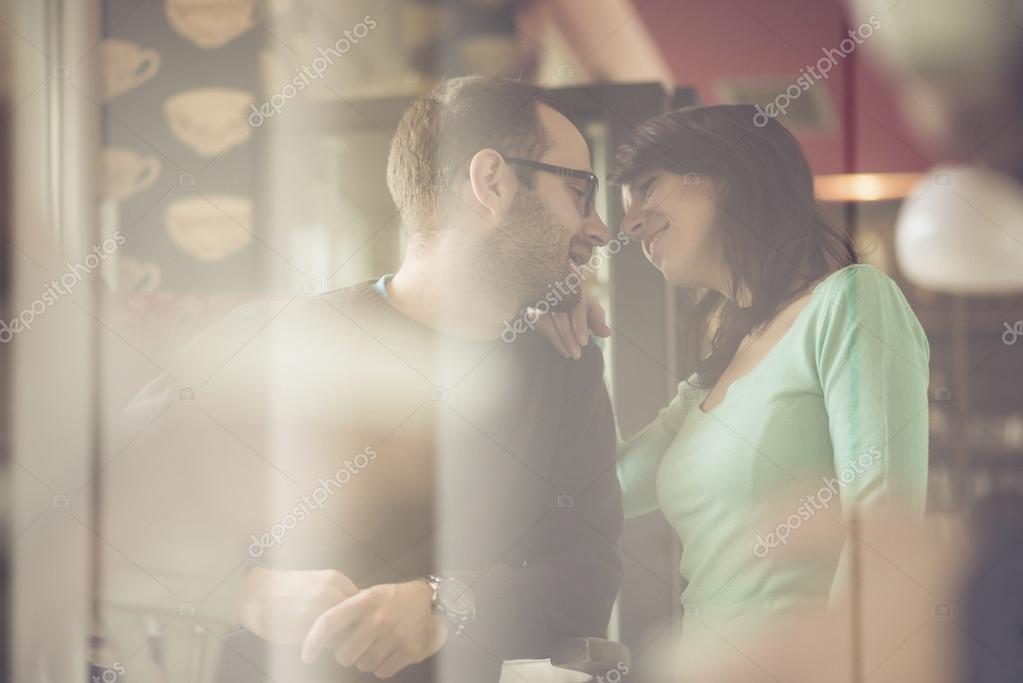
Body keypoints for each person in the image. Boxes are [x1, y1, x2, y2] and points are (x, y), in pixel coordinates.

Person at [121, 76, 622, 683]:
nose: (599, 229)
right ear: (492, 184)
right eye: (580, 193)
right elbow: (85, 511)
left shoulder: (564, 366)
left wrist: (448, 602)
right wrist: (245, 594)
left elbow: (589, 575)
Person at [539, 104, 930, 679]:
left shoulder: (850, 301)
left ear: (731, 174)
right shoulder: (715, 372)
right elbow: (606, 489)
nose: (630, 225)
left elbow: (883, 533)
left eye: (649, 188)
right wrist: (568, 341)